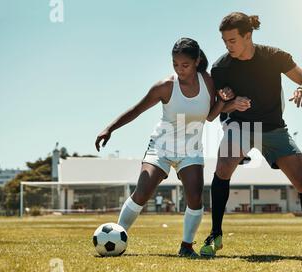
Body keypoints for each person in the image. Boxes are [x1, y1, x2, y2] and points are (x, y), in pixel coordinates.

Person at [199, 12, 302, 258]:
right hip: (239, 126)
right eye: (224, 41)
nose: (227, 45)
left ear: (248, 36)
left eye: (232, 40)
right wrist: (232, 104)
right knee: (223, 169)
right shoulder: (221, 67)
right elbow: (216, 110)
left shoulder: (275, 57)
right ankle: (215, 235)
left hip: (274, 128)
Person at [95, 38, 227, 258]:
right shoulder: (165, 86)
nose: (179, 69)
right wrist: (110, 128)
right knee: (143, 191)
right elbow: (137, 109)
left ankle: (186, 246)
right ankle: (118, 236)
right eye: (175, 64)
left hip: (191, 150)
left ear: (197, 61)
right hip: (161, 148)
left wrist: (224, 102)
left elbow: (211, 116)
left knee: (195, 197)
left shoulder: (208, 82)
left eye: (184, 65)